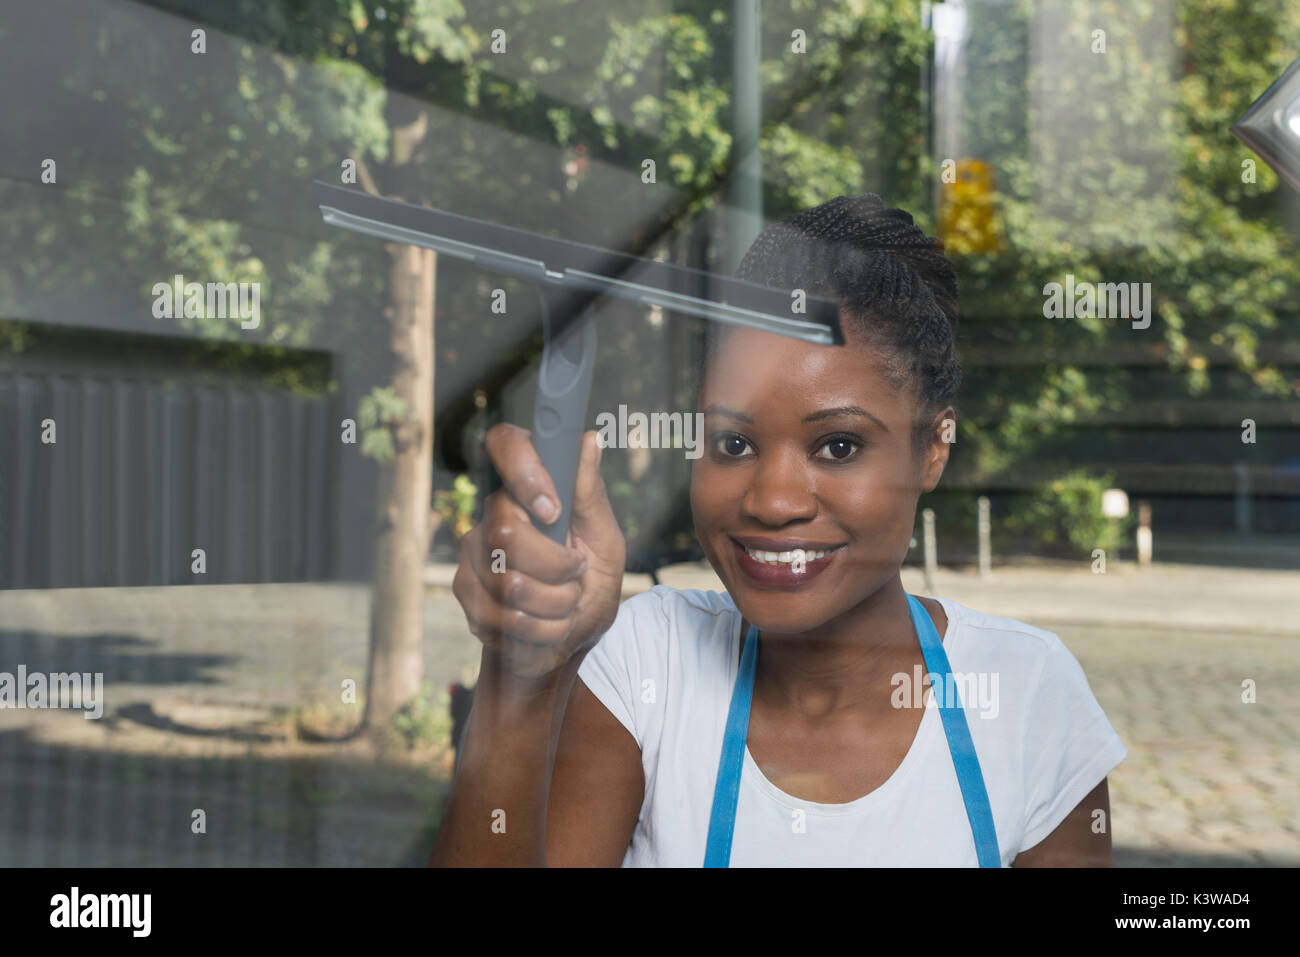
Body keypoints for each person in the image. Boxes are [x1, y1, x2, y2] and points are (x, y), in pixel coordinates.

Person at [429, 195, 1127, 867]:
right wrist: (522, 671)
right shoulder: (649, 666)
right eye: (733, 444)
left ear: (933, 449)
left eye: (839, 446)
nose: (773, 500)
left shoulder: (1026, 692)